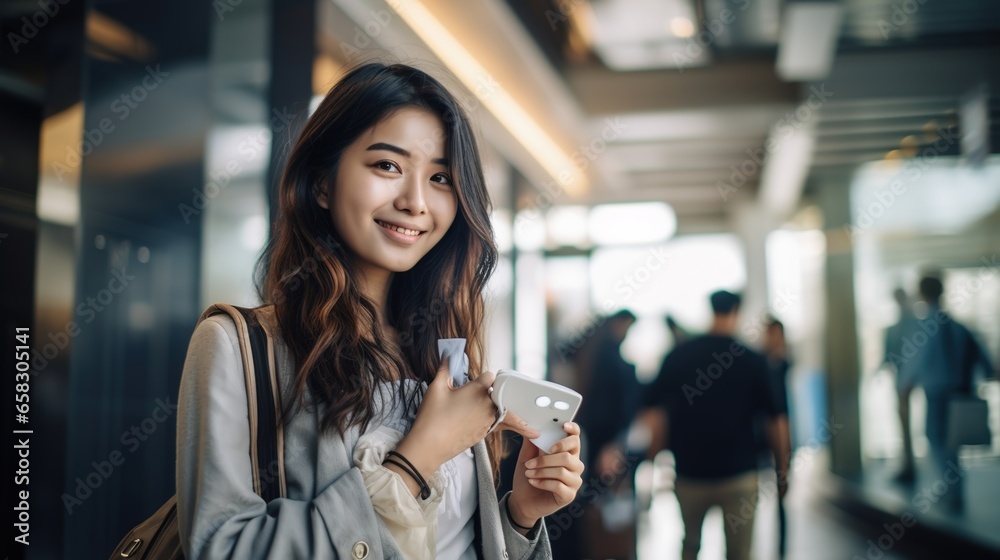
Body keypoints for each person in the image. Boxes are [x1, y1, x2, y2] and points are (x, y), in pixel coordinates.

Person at [175, 63, 584, 559]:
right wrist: (415, 462)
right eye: (387, 166)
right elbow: (223, 550)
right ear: (322, 183)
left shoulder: (445, 352)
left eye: (439, 177)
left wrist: (519, 515)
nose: (415, 201)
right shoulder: (236, 346)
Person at [641, 290, 790, 560]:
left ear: (711, 310)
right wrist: (783, 469)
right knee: (739, 553)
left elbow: (653, 413)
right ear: (736, 312)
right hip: (740, 474)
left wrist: (652, 459)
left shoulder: (679, 356)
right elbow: (777, 420)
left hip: (689, 473)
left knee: (690, 546)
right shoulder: (752, 359)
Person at [902, 276, 994, 509]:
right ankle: (954, 490)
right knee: (952, 442)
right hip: (959, 390)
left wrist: (905, 385)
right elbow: (982, 358)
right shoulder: (958, 325)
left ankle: (950, 492)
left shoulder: (925, 325)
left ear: (922, 293)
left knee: (936, 438)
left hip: (936, 392)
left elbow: (916, 361)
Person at [759, 316, 791, 559]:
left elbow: (782, 415)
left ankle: (782, 548)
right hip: (762, 436)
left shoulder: (784, 365)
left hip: (782, 432)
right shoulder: (759, 365)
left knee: (783, 491)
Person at [883, 288, 919, 483]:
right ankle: (909, 465)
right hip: (907, 379)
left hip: (907, 379)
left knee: (908, 424)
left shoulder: (908, 323)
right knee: (905, 424)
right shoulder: (908, 322)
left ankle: (909, 466)